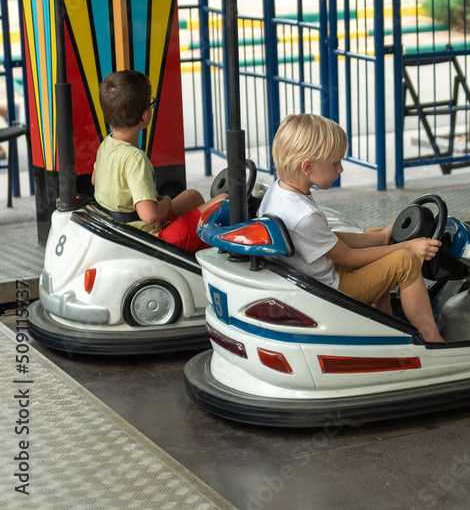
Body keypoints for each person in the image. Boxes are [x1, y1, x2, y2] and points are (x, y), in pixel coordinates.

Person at [258, 113, 445, 343]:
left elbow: (327, 239)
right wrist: (408, 247)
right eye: (335, 163)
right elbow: (349, 258)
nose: (341, 169)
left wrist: (381, 238)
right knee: (405, 262)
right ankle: (431, 338)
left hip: (316, 274)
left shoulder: (279, 192)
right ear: (308, 166)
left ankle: (386, 323)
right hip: (332, 290)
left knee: (376, 235)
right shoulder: (304, 215)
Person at [93, 70, 225, 251]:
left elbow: (95, 180)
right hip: (151, 240)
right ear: (145, 115)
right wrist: (166, 202)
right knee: (224, 201)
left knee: (192, 196)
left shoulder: (106, 144)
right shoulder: (135, 159)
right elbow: (149, 216)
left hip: (126, 229)